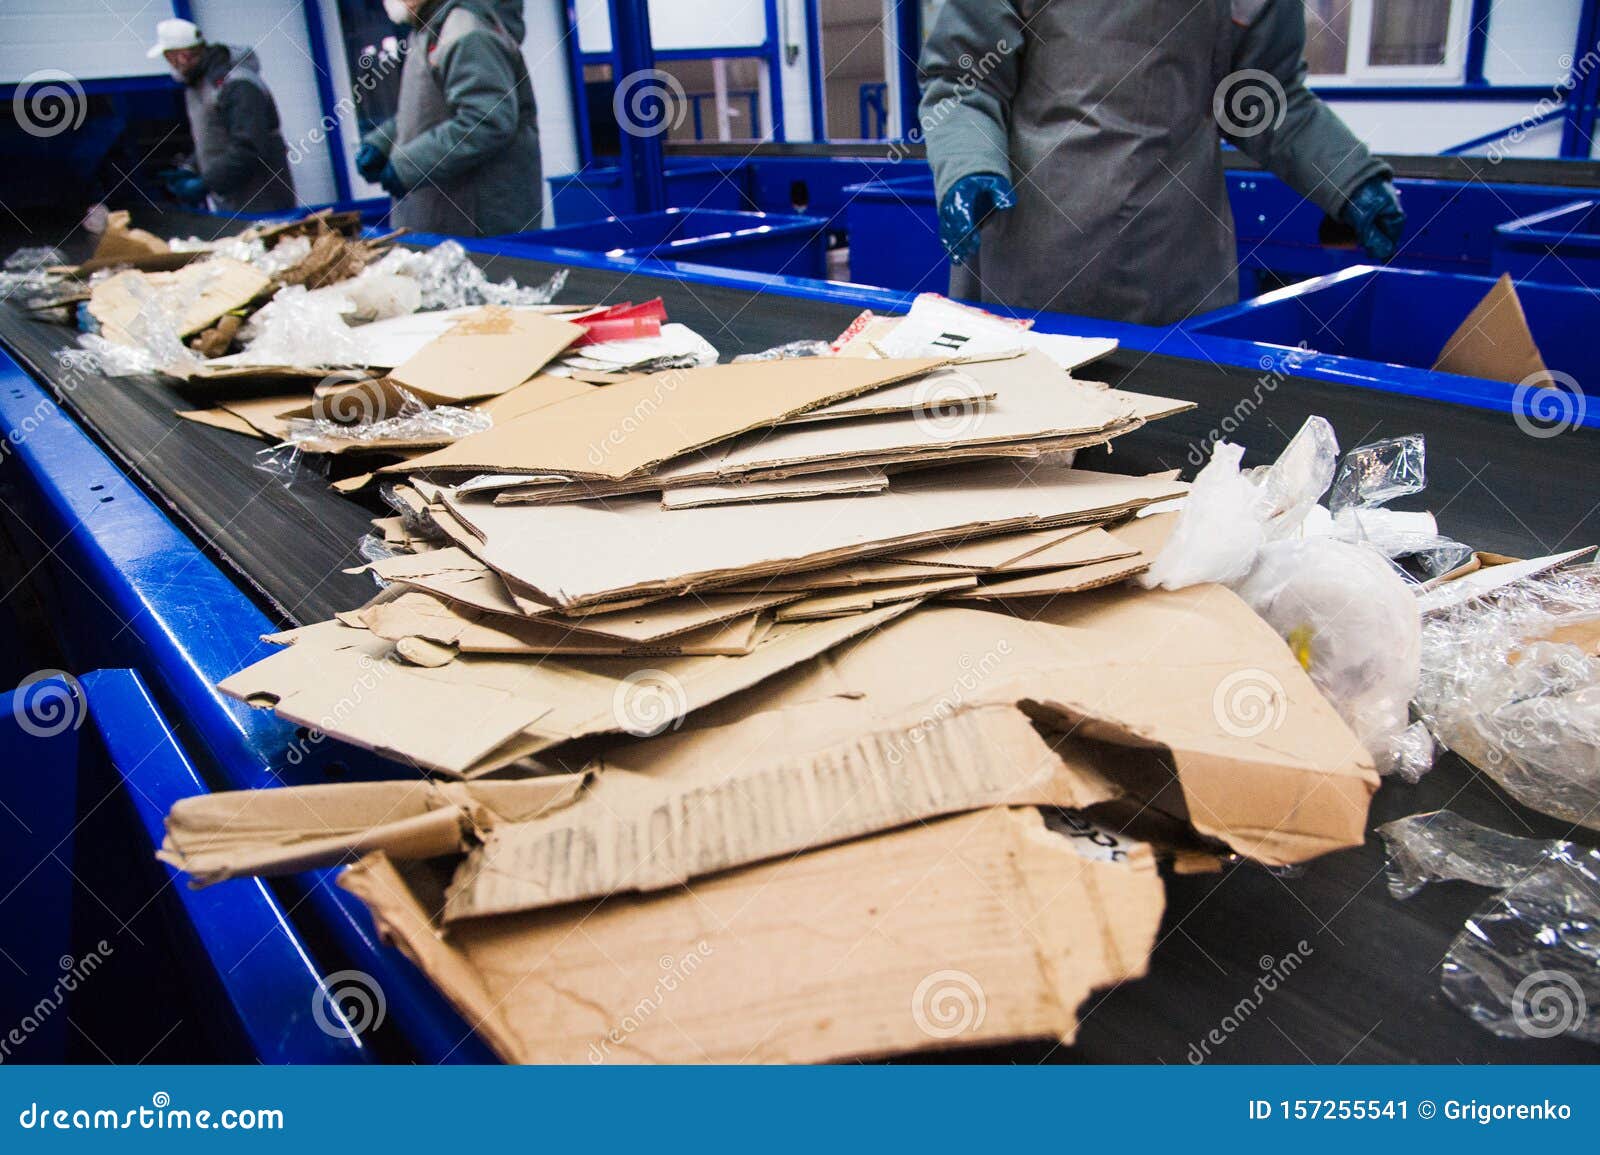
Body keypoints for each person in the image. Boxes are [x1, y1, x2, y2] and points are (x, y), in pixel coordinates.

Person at [920, 0, 1407, 326]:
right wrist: (968, 166)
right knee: (1028, 453)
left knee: (1176, 455)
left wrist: (1350, 178)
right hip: (1035, 269)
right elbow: (965, 80)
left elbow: (1264, 99)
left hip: (1180, 275)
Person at [355, 0, 542, 236]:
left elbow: (487, 121)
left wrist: (406, 166)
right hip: (443, 219)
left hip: (477, 225)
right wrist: (382, 142)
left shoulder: (466, 32)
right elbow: (427, 110)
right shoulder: (429, 29)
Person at [148, 18, 296, 213]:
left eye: (168, 58)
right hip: (233, 201)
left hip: (261, 199)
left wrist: (206, 184)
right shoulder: (199, 85)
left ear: (182, 56)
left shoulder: (237, 84)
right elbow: (214, 138)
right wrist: (190, 169)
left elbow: (248, 147)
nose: (171, 65)